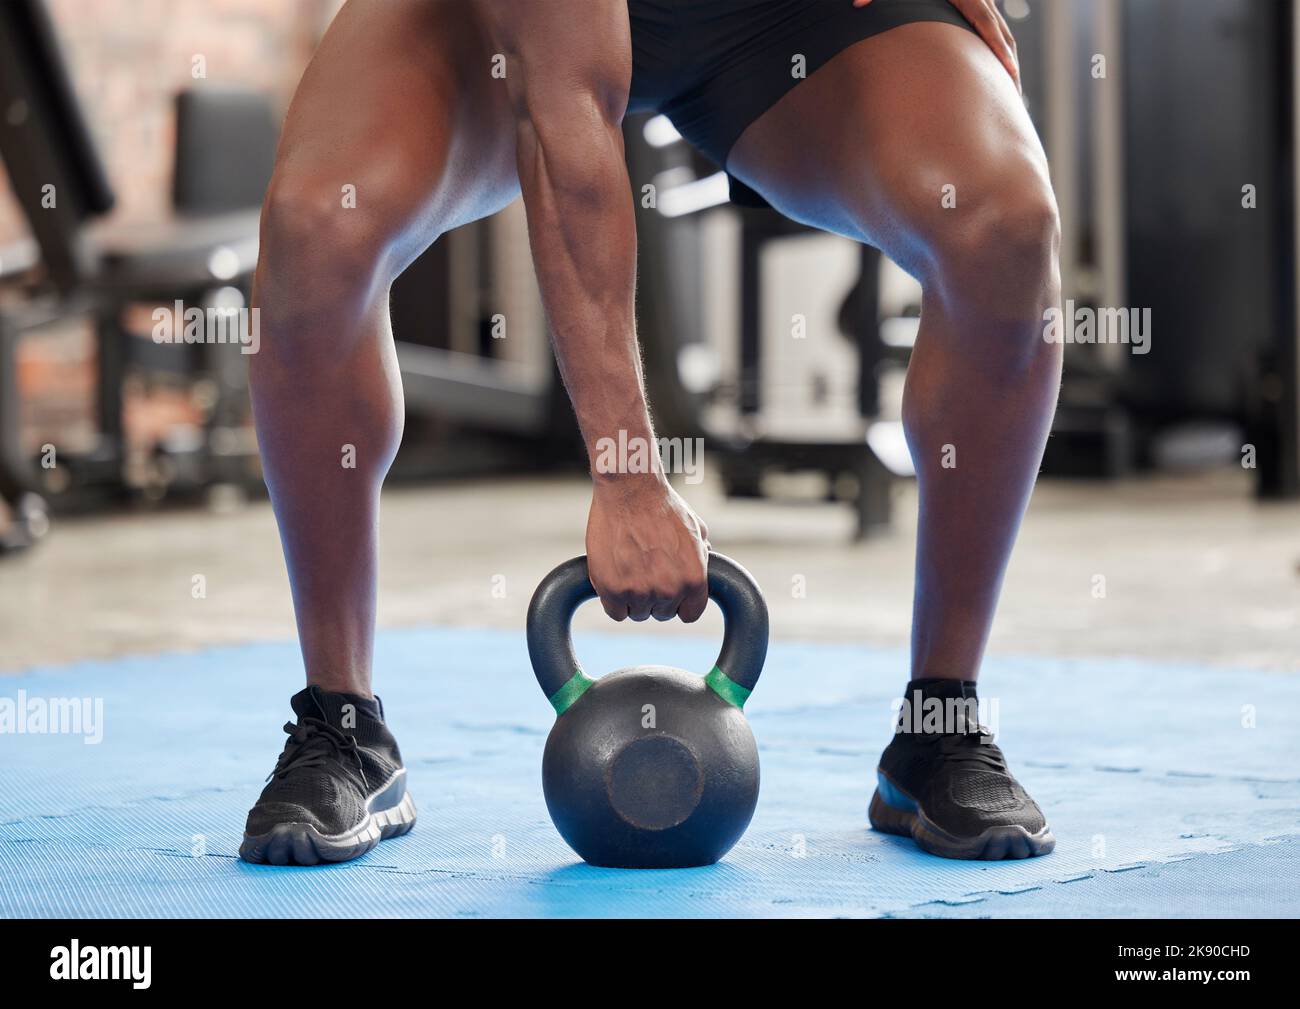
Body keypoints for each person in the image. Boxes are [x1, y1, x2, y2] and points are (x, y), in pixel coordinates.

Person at [240, 0, 1059, 865]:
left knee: (1004, 222)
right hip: (501, 30)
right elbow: (565, 121)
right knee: (315, 230)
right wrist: (629, 477)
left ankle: (942, 718)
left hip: (779, 22)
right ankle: (343, 723)